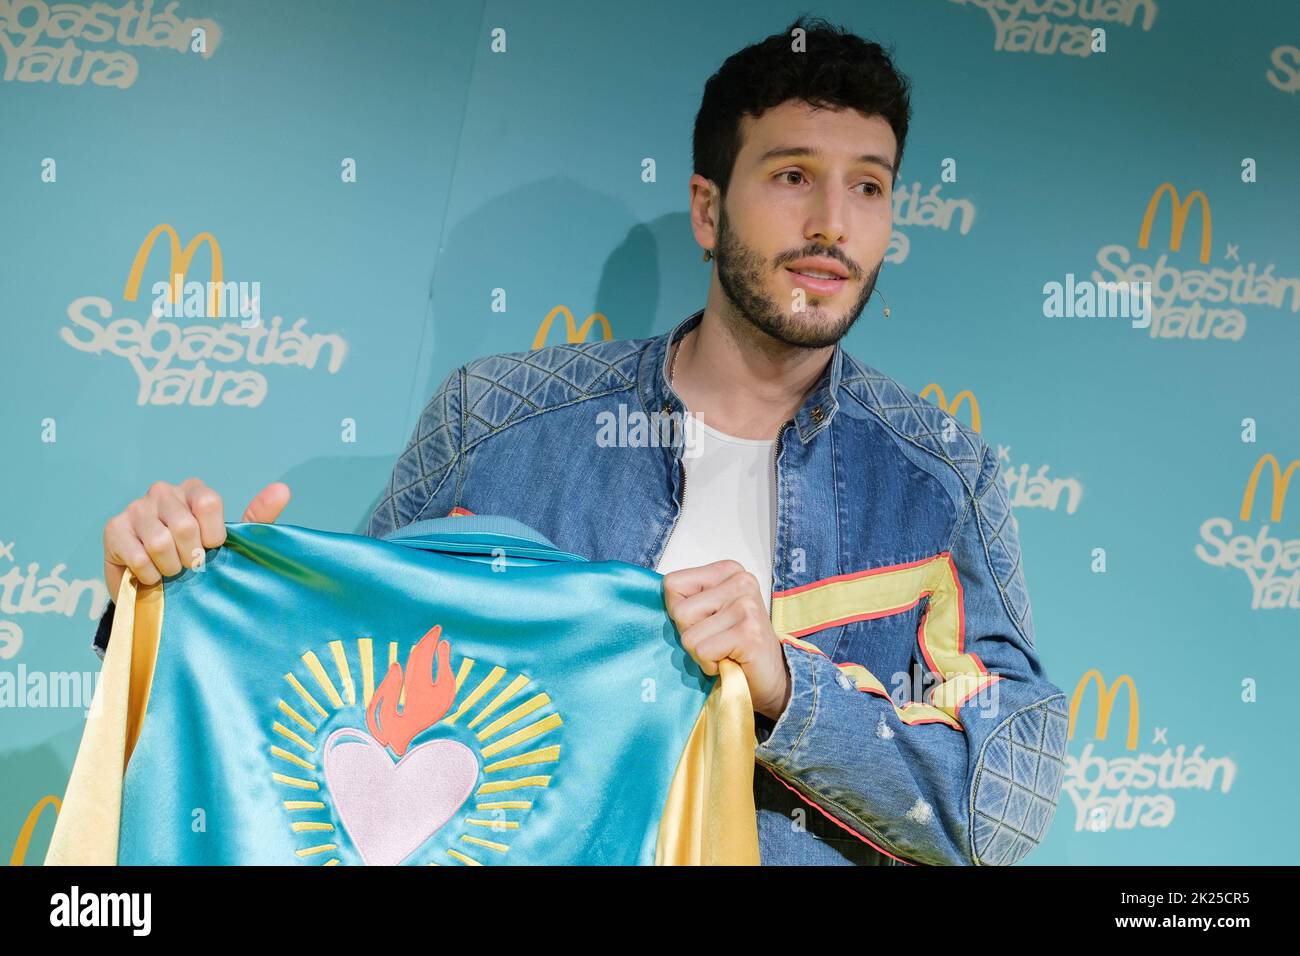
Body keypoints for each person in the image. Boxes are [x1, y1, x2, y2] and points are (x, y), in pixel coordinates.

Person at [93, 16, 1068, 866]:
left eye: (868, 186)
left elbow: (1000, 804)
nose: (830, 223)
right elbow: (344, 692)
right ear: (705, 206)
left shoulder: (943, 481)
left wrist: (784, 686)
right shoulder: (496, 418)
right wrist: (176, 599)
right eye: (791, 175)